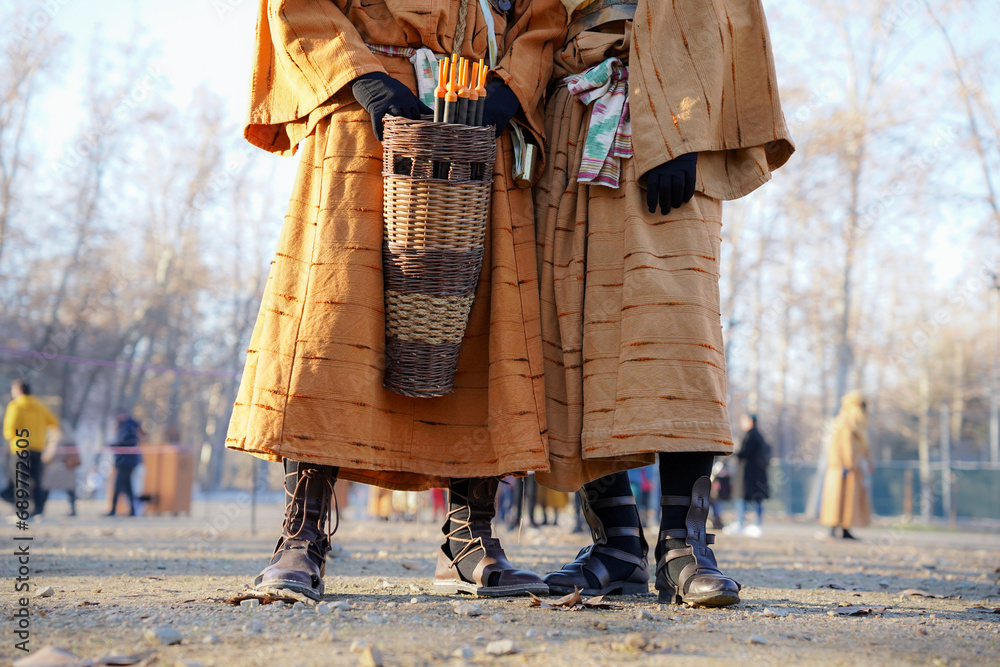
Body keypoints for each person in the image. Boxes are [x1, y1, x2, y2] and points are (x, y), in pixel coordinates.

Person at [228, 0, 566, 601]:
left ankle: (471, 541)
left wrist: (510, 90)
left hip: (472, 123)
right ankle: (301, 540)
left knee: (484, 324)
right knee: (330, 323)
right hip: (364, 118)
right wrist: (363, 78)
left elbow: (542, 17)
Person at [534, 0, 793, 606]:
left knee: (679, 337)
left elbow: (729, 18)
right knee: (578, 338)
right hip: (573, 125)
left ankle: (684, 543)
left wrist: (683, 130)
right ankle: (616, 541)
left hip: (676, 136)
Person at [2, 380, 59, 519]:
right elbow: (53, 422)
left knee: (20, 480)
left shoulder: (15, 405)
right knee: (36, 480)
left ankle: (21, 512)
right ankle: (38, 511)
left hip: (20, 448)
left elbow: (9, 430)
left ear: (19, 391)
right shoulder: (40, 405)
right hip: (37, 448)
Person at [820, 391, 873, 540]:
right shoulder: (844, 422)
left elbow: (864, 446)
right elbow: (844, 446)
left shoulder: (859, 425)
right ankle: (832, 528)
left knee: (850, 500)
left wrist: (868, 461)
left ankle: (845, 528)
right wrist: (848, 464)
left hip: (853, 467)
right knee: (837, 499)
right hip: (841, 468)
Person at [732, 414, 771, 537]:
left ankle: (742, 524)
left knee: (743, 498)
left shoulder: (751, 436)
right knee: (755, 499)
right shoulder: (759, 435)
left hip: (749, 475)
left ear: (750, 421)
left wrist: (733, 453)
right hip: (756, 474)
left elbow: (745, 453)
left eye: (744, 420)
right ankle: (755, 524)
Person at [106, 410, 143, 517]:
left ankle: (114, 510)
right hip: (127, 461)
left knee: (119, 485)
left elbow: (124, 442)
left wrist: (113, 445)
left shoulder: (128, 426)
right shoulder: (127, 425)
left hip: (127, 461)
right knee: (127, 486)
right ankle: (132, 510)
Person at [42, 436, 81, 517]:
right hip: (54, 462)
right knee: (46, 487)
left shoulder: (65, 431)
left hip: (65, 463)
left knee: (69, 488)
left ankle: (73, 509)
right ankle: (40, 508)